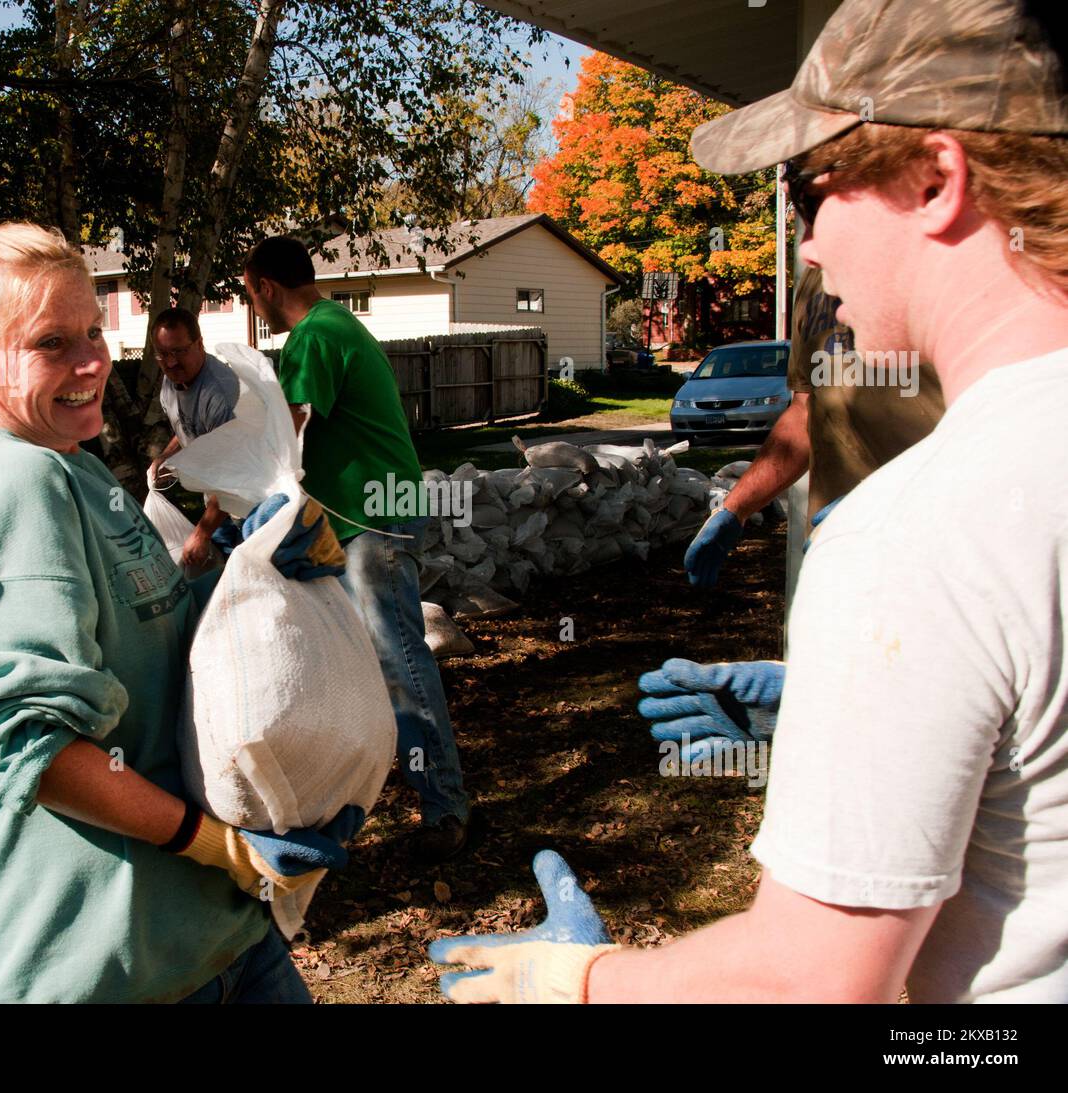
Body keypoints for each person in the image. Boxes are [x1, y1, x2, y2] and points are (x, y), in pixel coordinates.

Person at [431, 0, 1068, 1003]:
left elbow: (806, 982)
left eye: (810, 191)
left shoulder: (918, 532)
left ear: (937, 179)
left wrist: (579, 981)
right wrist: (863, 712)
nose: (805, 245)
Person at [0, 222, 359, 1002]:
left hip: (204, 942)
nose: (93, 359)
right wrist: (211, 843)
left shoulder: (74, 467)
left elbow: (149, 634)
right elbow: (28, 746)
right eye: (51, 343)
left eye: (93, 330)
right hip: (96, 968)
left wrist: (260, 563)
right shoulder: (5, 481)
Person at [242, 235, 472, 863]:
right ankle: (366, 793)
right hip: (371, 512)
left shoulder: (314, 335)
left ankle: (444, 808)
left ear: (265, 286)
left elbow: (287, 435)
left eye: (250, 291)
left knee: (398, 661)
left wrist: (233, 489)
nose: (253, 304)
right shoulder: (334, 323)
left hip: (375, 519)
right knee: (357, 662)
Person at [683, 268, 946, 588]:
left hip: (938, 559)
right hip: (837, 556)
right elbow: (804, 415)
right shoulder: (813, 280)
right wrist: (735, 509)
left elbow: (1004, 419)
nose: (808, 246)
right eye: (806, 215)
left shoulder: (956, 257)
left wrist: (879, 502)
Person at [148, 307, 241, 570]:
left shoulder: (220, 394)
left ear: (199, 344)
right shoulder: (172, 381)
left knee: (253, 586)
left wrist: (201, 533)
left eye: (178, 351)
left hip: (250, 507)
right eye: (163, 354)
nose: (171, 362)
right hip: (217, 504)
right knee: (216, 577)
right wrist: (168, 456)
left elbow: (232, 476)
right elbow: (188, 427)